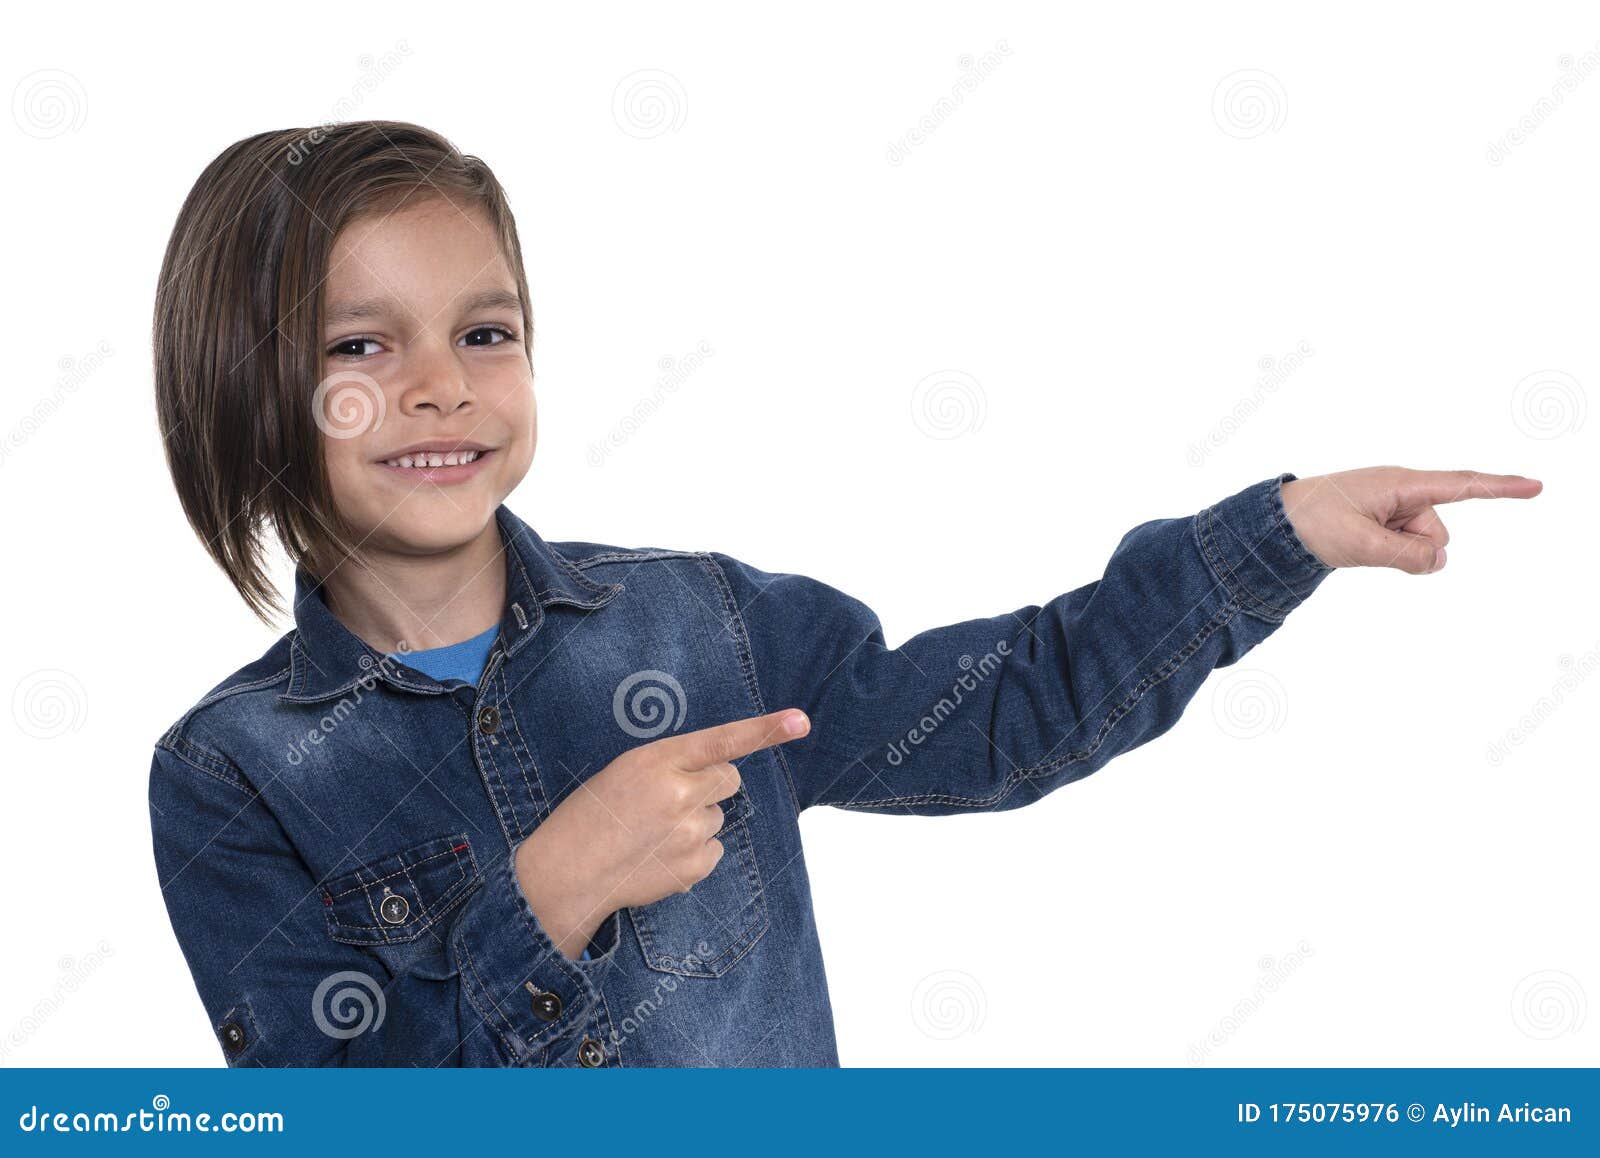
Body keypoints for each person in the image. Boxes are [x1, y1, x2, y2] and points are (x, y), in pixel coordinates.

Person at [148, 120, 1541, 1066]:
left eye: (485, 331)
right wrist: (550, 894)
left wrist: (1274, 537)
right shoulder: (230, 773)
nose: (442, 385)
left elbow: (1007, 714)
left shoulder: (707, 625)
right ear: (244, 387)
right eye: (360, 345)